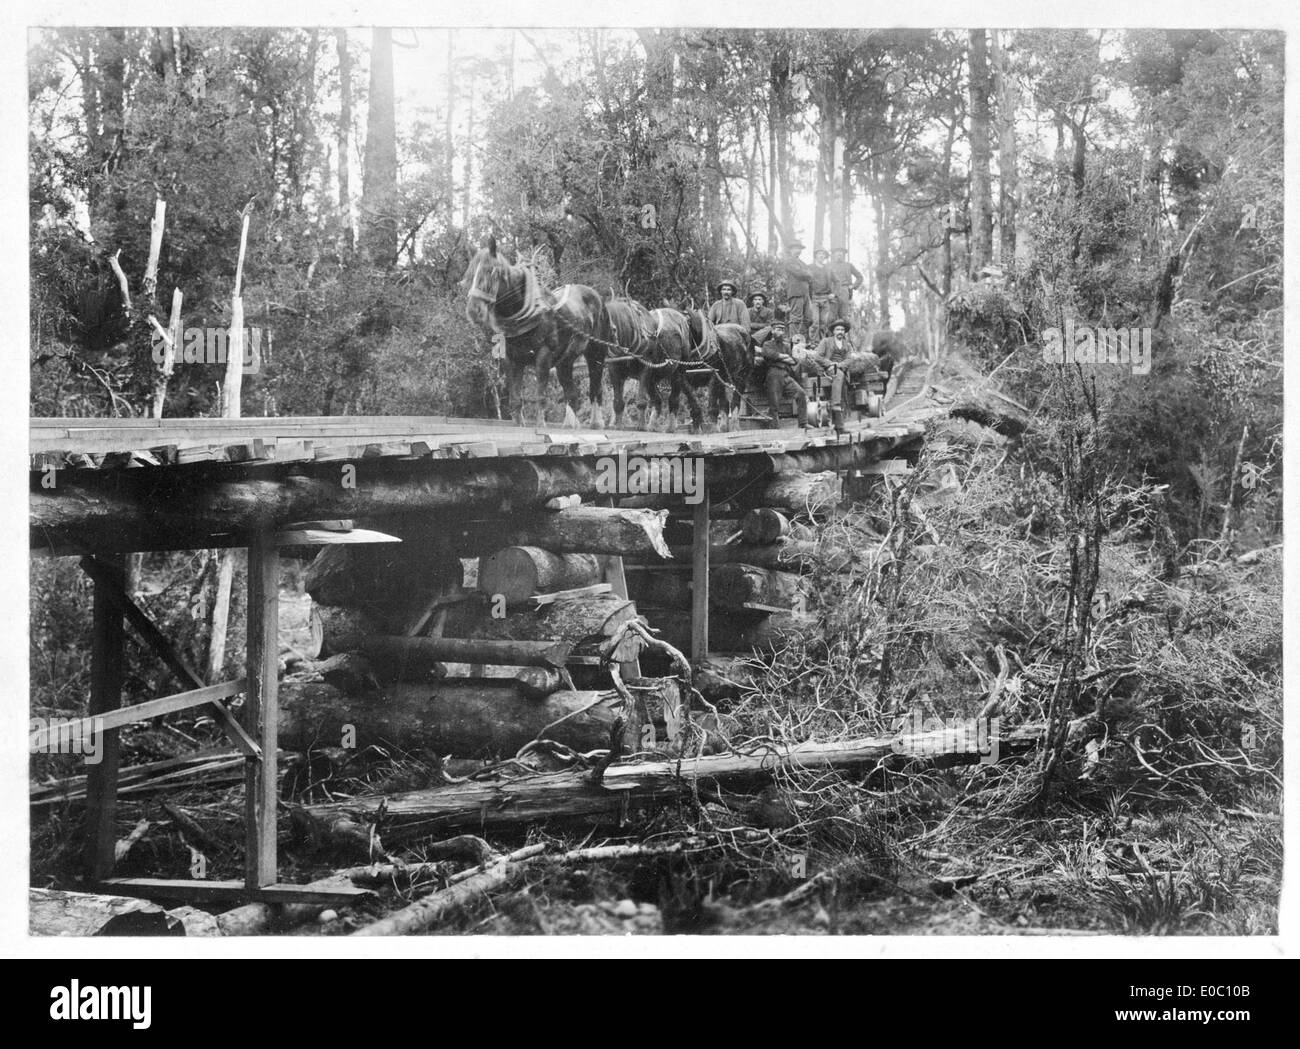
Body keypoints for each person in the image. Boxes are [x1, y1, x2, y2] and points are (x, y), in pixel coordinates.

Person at [812, 318, 874, 432]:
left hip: (841, 370)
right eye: (837, 329)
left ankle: (839, 426)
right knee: (838, 377)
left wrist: (839, 365)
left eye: (842, 329)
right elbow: (817, 357)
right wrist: (830, 364)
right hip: (827, 369)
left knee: (844, 394)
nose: (840, 331)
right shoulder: (826, 341)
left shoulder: (847, 345)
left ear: (844, 332)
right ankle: (835, 404)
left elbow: (849, 359)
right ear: (833, 331)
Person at [760, 318, 808, 429]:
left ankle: (803, 423)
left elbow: (793, 361)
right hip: (774, 375)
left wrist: (781, 357)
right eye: (778, 329)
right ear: (772, 331)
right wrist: (783, 357)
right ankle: (774, 427)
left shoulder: (786, 346)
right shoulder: (767, 344)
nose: (781, 332)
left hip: (786, 374)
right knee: (774, 403)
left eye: (782, 330)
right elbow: (771, 355)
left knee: (801, 393)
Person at [778, 240, 813, 344]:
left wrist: (807, 274)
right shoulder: (789, 261)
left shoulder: (802, 263)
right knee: (796, 318)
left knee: (808, 318)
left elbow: (810, 275)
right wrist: (807, 274)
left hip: (805, 293)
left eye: (799, 249)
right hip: (796, 292)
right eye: (795, 248)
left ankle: (804, 339)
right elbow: (799, 273)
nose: (798, 251)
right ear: (791, 249)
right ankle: (794, 341)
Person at [808, 248, 837, 344]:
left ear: (825, 256)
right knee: (815, 322)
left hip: (825, 298)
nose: (821, 255)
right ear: (815, 255)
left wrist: (834, 293)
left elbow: (837, 281)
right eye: (819, 253)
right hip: (814, 298)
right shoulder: (810, 267)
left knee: (824, 323)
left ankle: (821, 343)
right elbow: (805, 282)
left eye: (823, 254)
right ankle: (813, 343)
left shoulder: (828, 269)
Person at [829, 248, 864, 324]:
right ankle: (831, 335)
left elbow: (860, 277)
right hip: (833, 291)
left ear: (844, 255)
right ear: (834, 254)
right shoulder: (829, 265)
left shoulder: (848, 265)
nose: (839, 254)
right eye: (837, 252)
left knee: (844, 316)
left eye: (841, 252)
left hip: (844, 290)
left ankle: (843, 334)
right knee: (831, 316)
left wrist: (853, 286)